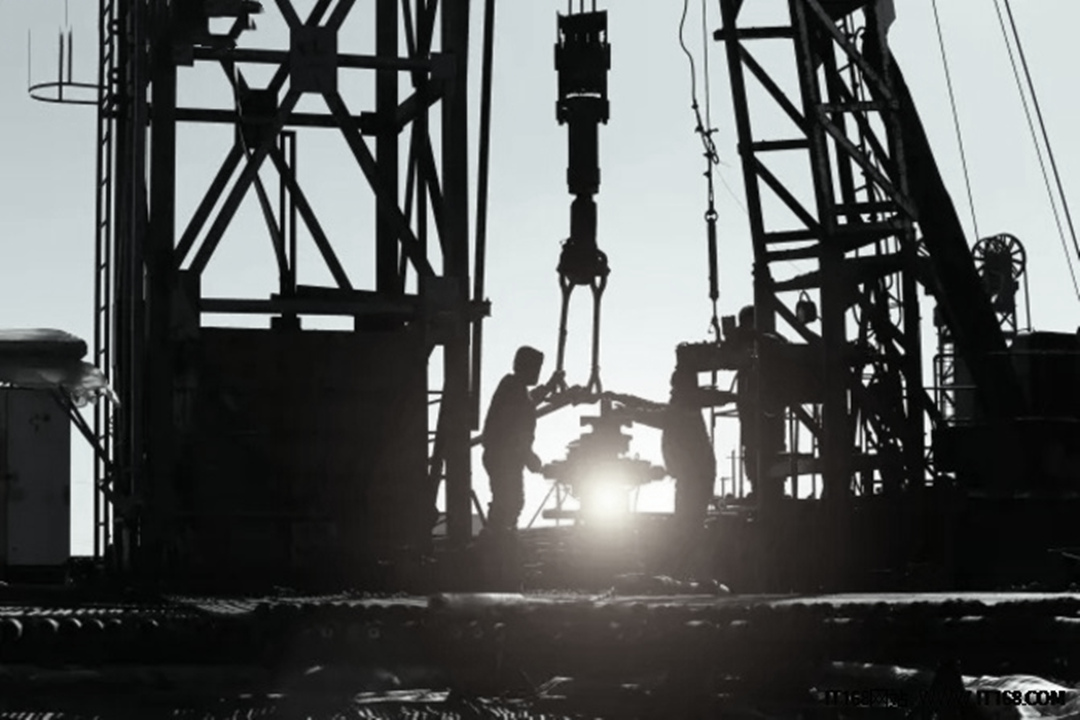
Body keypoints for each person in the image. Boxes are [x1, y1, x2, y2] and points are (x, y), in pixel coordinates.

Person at [480, 346, 561, 535]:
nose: (537, 373)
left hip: (503, 457)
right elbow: (513, 432)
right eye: (536, 369)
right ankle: (496, 541)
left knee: (509, 501)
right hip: (503, 457)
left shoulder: (513, 387)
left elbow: (528, 404)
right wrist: (530, 458)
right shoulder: (513, 388)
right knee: (510, 501)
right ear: (526, 367)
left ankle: (500, 538)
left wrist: (549, 386)